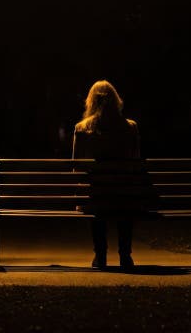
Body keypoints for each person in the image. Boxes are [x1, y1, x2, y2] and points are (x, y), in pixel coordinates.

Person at [72, 80, 141, 270]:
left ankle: (100, 255)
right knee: (125, 198)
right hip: (124, 195)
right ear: (116, 100)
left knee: (95, 198)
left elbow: (76, 166)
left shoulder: (82, 128)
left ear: (91, 102)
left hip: (97, 196)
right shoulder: (131, 127)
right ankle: (125, 255)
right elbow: (136, 162)